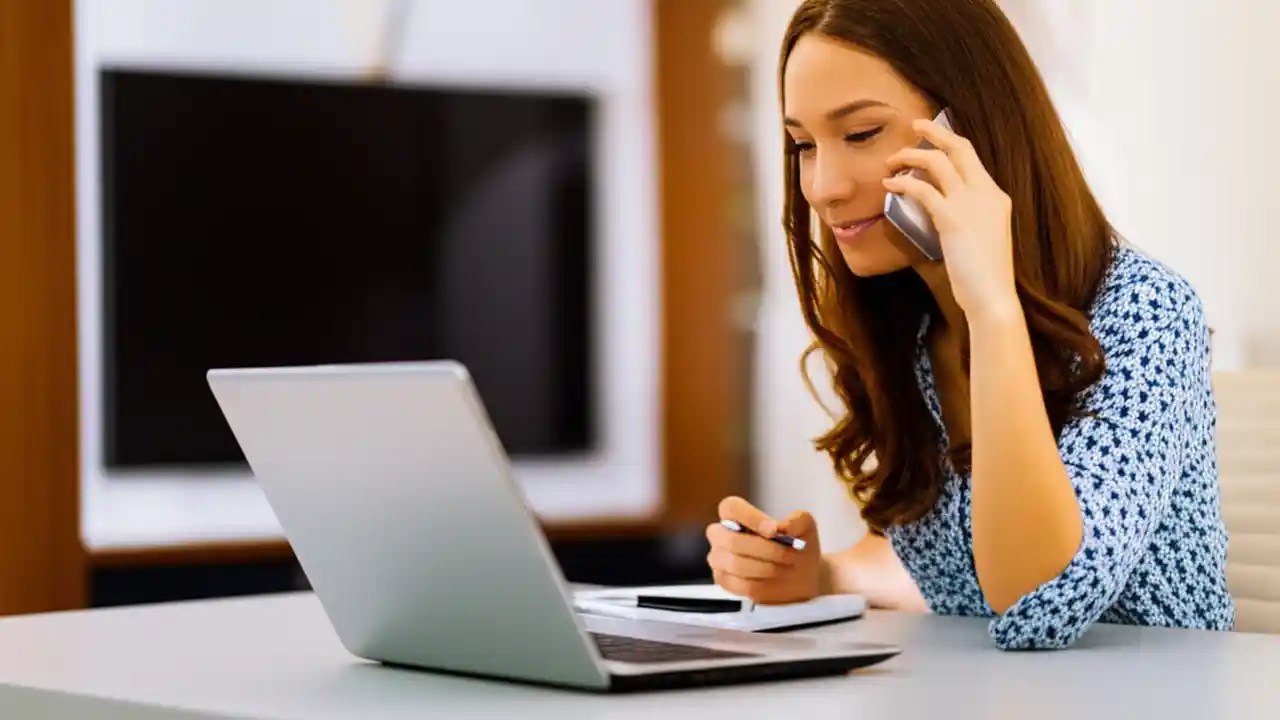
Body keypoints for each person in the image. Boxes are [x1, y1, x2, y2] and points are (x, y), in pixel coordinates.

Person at [706, 0, 1235, 650]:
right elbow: (961, 573)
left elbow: (1039, 602)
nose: (823, 185)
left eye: (862, 134)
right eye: (804, 145)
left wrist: (991, 309)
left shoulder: (1147, 310)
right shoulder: (909, 327)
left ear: (972, 129)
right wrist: (821, 573)